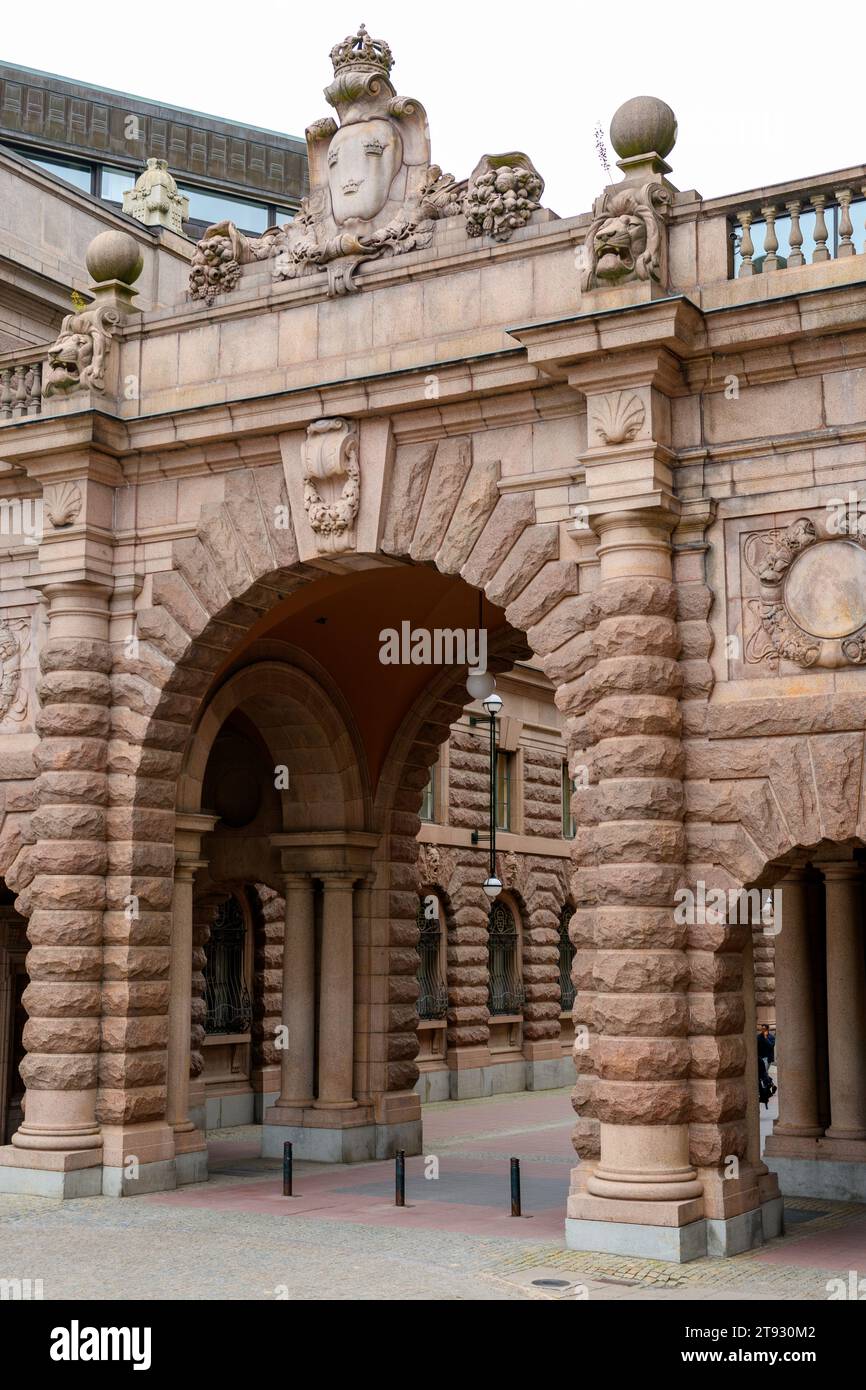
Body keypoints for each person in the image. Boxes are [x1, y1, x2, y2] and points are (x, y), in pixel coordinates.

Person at [757, 1023, 777, 1104]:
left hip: (767, 1058)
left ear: (767, 1029)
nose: (763, 1030)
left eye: (764, 1029)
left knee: (763, 1073)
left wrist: (765, 1038)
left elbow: (771, 1046)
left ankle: (766, 1087)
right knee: (763, 1073)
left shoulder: (771, 1037)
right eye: (762, 1029)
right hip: (760, 1058)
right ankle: (771, 1085)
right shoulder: (758, 1037)